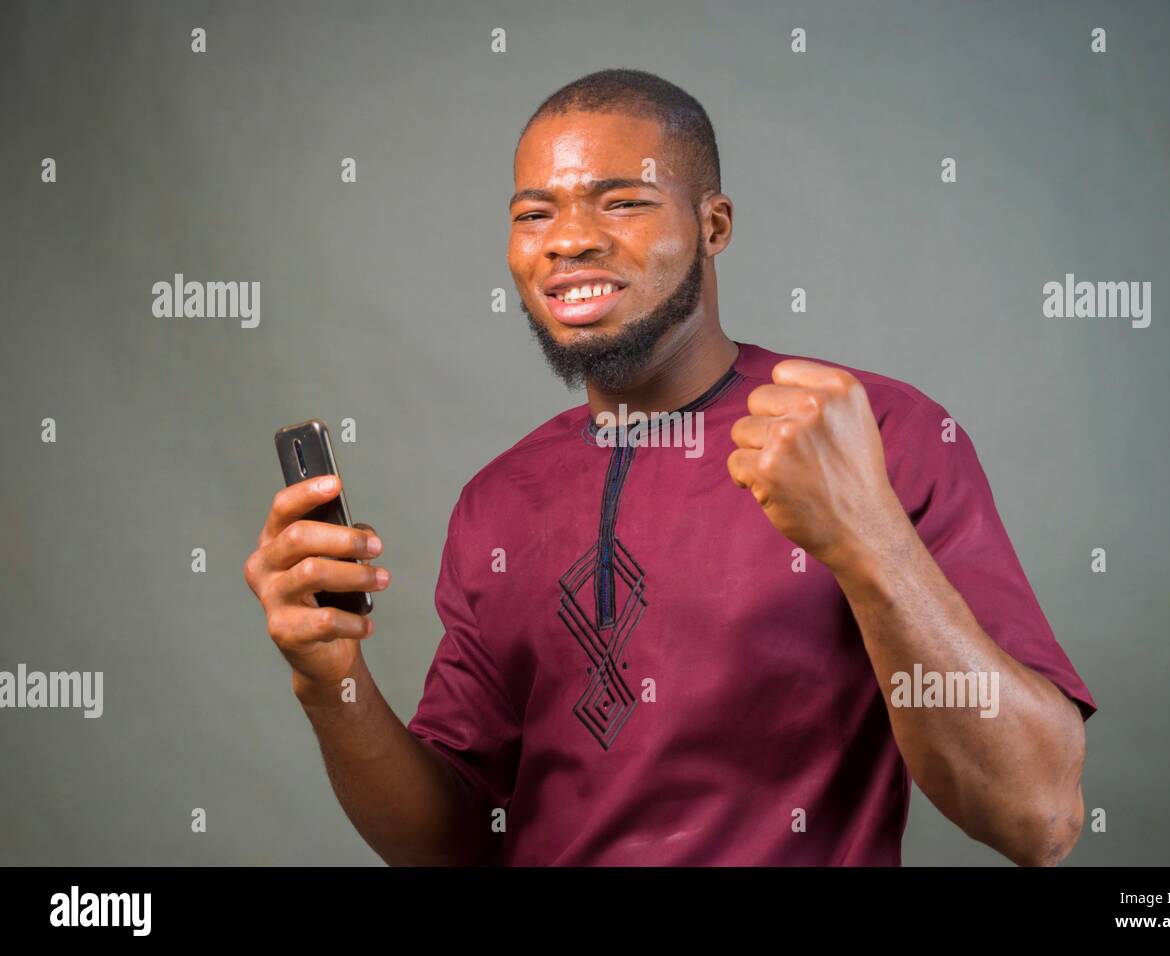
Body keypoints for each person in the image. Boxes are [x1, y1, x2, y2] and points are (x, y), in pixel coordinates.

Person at [244, 69, 1097, 866]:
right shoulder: (497, 502)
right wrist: (332, 684)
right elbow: (455, 841)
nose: (569, 240)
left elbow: (1039, 816)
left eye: (621, 201)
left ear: (713, 226)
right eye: (534, 214)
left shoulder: (870, 431)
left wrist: (863, 535)